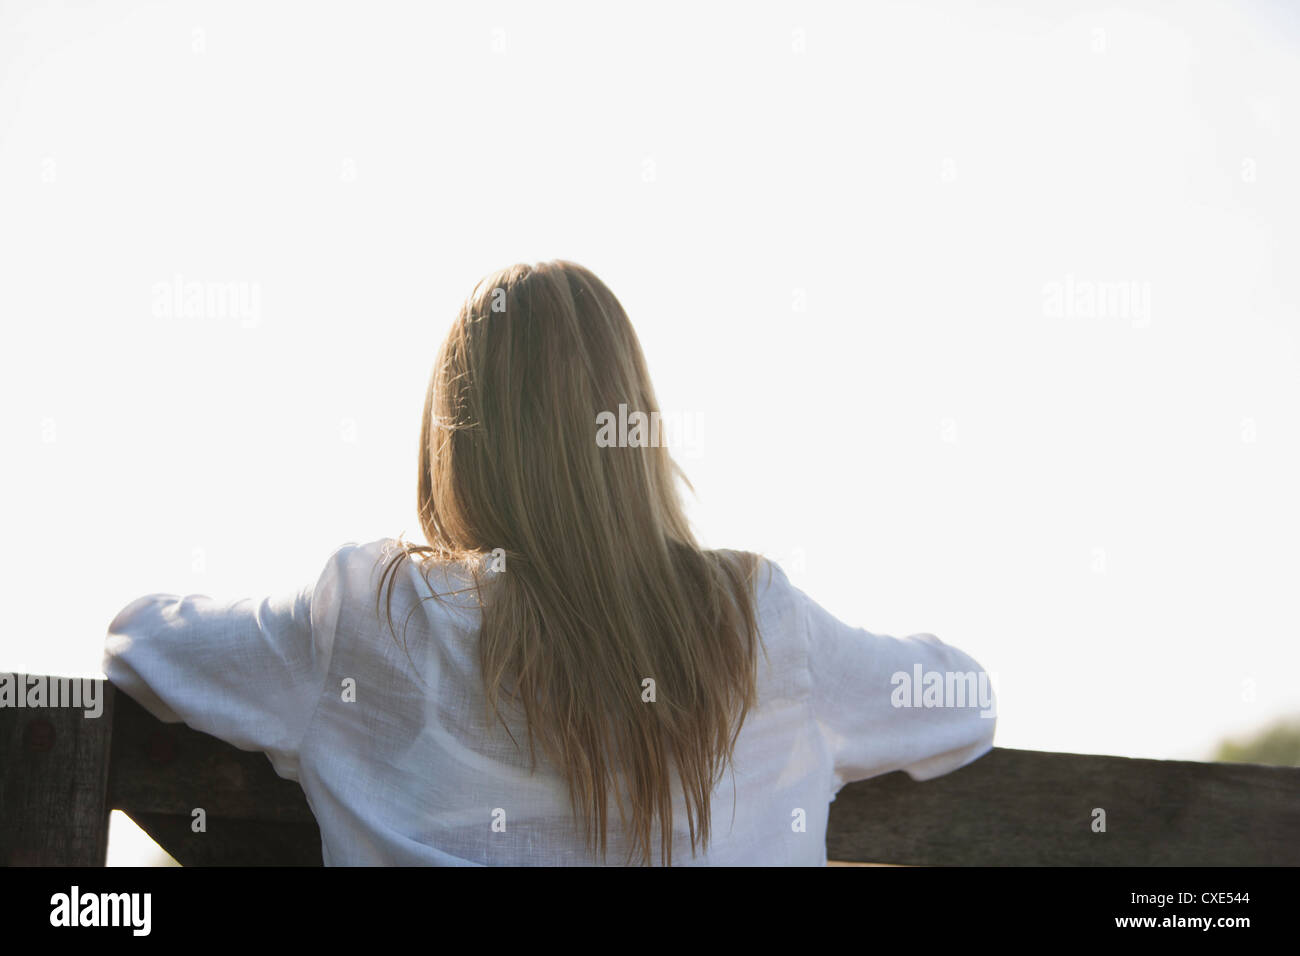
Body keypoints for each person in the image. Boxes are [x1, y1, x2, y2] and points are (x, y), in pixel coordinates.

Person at [104, 260, 996, 866]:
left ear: (454, 444)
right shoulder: (760, 626)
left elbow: (138, 647)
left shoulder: (373, 619)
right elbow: (968, 700)